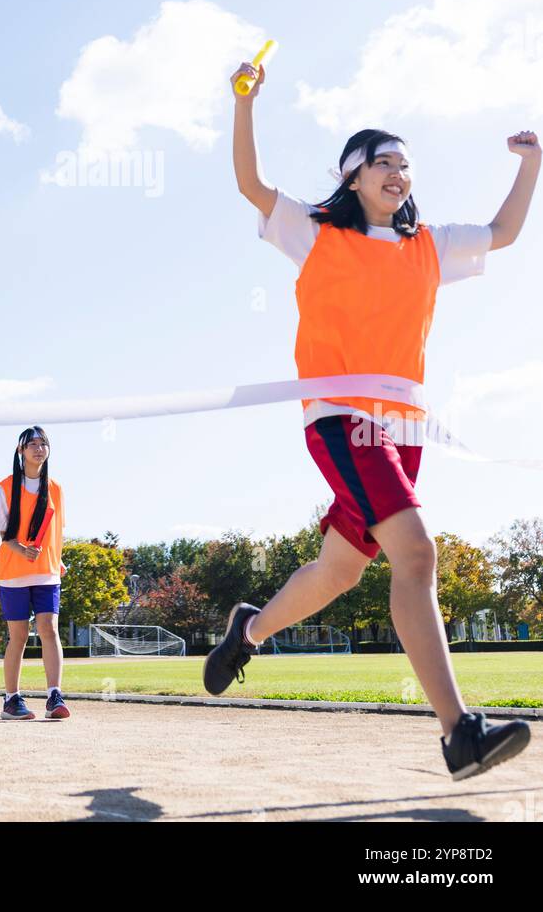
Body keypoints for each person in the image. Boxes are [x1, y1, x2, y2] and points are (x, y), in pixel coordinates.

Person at [203, 56, 540, 780]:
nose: (399, 173)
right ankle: (460, 733)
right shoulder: (317, 232)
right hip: (344, 420)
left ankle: (247, 630)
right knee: (417, 555)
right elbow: (249, 185)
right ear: (353, 176)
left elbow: (504, 232)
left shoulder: (428, 245)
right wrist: (244, 103)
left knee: (340, 571)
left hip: (405, 430)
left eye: (406, 166)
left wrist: (530, 163)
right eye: (383, 162)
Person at [0, 425, 70, 720]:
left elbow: (57, 532)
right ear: (21, 451)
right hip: (13, 573)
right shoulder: (5, 486)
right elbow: (3, 535)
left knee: (49, 629)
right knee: (19, 636)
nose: (39, 448)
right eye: (32, 444)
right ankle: (11, 700)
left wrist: (57, 559)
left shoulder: (56, 489)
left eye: (43, 443)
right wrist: (22, 549)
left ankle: (54, 696)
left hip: (47, 572)